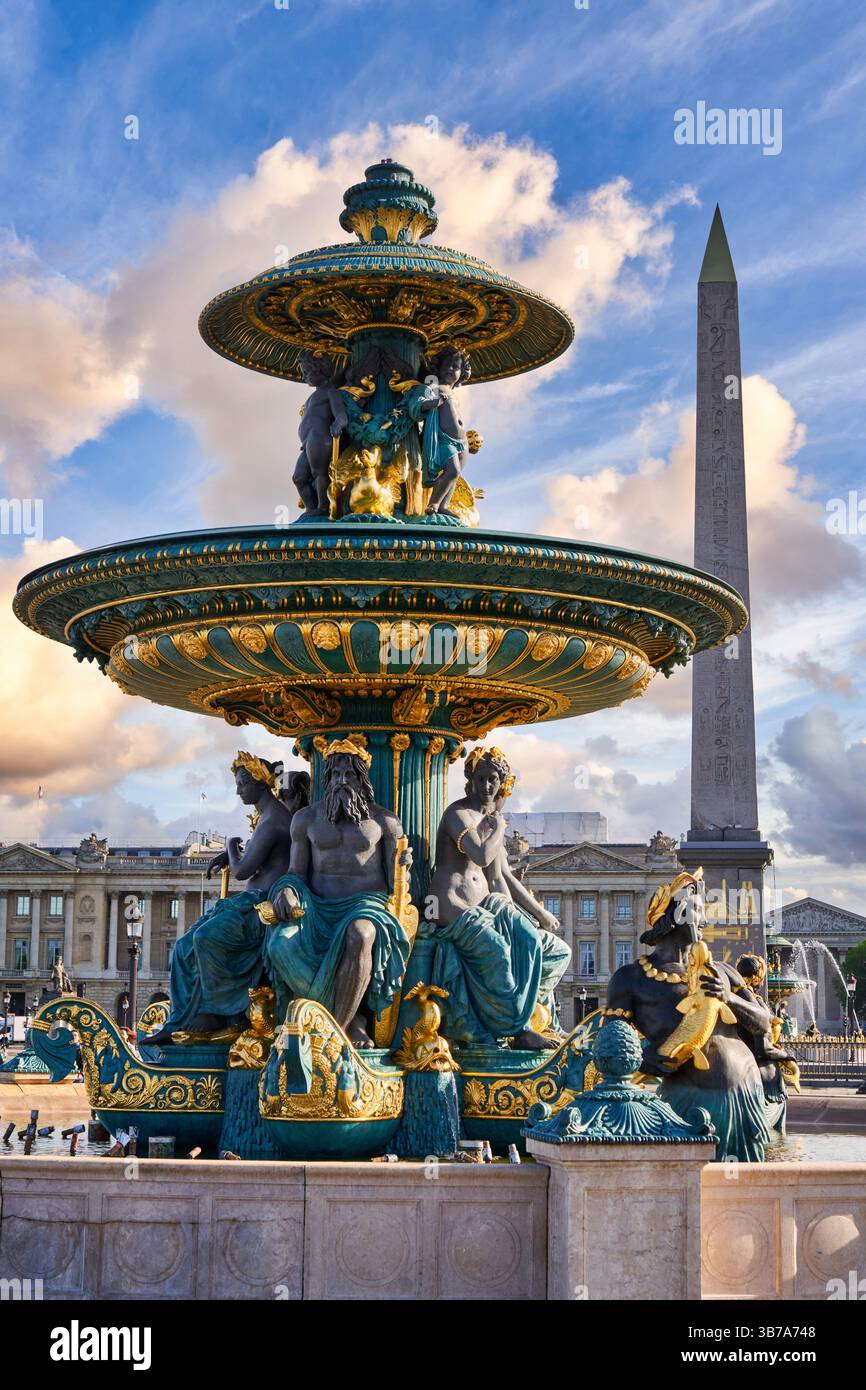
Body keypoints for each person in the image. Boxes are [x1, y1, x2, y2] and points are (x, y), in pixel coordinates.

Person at [605, 871, 775, 1162]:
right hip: (688, 1100)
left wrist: (729, 997)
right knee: (691, 1189)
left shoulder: (723, 972)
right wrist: (645, 1059)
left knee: (746, 1192)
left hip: (745, 1096)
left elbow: (763, 1023)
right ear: (674, 914)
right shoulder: (631, 978)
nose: (704, 921)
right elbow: (609, 1044)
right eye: (697, 910)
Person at [148, 755, 308, 1045]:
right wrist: (234, 854)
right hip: (248, 901)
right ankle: (177, 1021)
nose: (238, 791)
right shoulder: (267, 816)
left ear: (261, 781)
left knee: (206, 938)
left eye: (243, 783)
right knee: (183, 946)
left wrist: (231, 847)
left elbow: (243, 869)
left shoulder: (274, 819)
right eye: (238, 784)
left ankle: (213, 1013)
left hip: (261, 906)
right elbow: (256, 860)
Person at [265, 740, 412, 1047]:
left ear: (363, 779)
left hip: (365, 905)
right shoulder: (305, 820)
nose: (343, 781)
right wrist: (288, 891)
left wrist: (404, 867)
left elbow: (396, 881)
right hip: (316, 907)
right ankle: (343, 1019)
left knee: (360, 935)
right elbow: (295, 873)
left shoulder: (385, 821)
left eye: (351, 775)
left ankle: (337, 1029)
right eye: (336, 774)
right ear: (327, 779)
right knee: (280, 943)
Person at [426, 746, 571, 1049]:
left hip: (487, 904)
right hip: (452, 903)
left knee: (546, 947)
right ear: (471, 780)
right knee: (496, 950)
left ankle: (524, 1015)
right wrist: (501, 826)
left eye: (493, 779)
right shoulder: (459, 815)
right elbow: (480, 853)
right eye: (481, 779)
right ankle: (513, 1030)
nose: (487, 786)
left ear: (501, 782)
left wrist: (536, 914)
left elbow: (501, 875)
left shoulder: (489, 821)